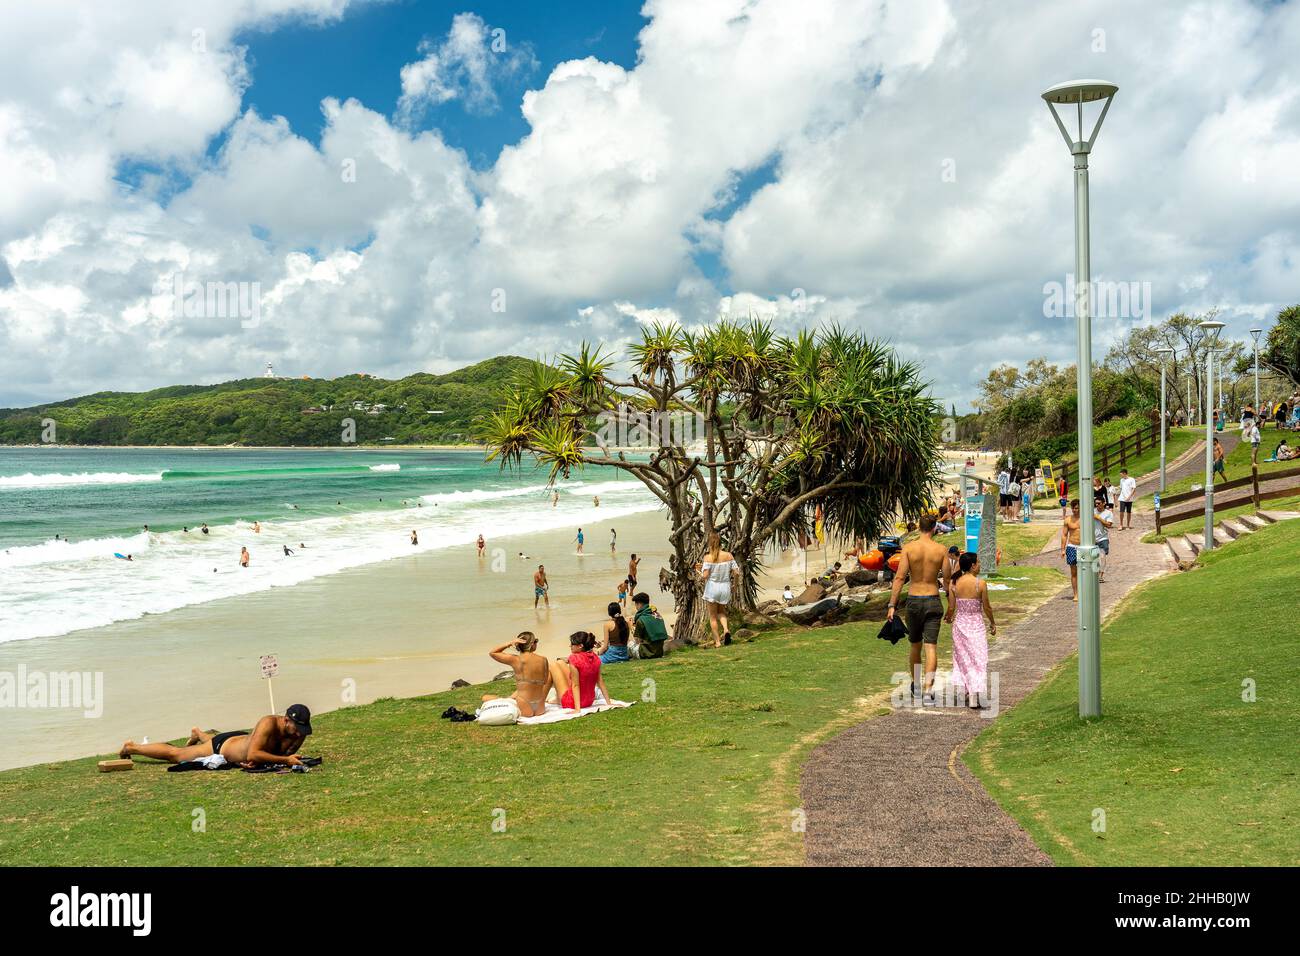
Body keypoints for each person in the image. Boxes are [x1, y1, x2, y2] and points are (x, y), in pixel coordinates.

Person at [119, 705, 312, 768]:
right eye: (297, 728)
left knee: (222, 742)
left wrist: (264, 760)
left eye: (302, 731)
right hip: (224, 746)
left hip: (241, 741)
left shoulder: (298, 732)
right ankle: (132, 747)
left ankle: (198, 733)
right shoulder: (267, 723)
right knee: (176, 755)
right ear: (286, 720)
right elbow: (254, 754)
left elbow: (264, 755)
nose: (299, 734)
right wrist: (285, 760)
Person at [886, 514, 948, 702]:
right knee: (931, 647)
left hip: (914, 599)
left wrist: (892, 605)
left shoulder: (908, 548)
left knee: (915, 644)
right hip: (932, 598)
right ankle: (929, 689)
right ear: (935, 528)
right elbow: (946, 579)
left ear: (918, 528)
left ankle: (917, 684)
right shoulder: (941, 549)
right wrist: (951, 605)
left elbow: (899, 578)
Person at [944, 552, 996, 709]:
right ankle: (974, 695)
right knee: (978, 660)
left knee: (963, 660)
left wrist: (948, 617)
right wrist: (993, 623)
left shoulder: (955, 583)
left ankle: (966, 691)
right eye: (978, 562)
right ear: (972, 565)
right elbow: (986, 607)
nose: (979, 565)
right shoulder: (980, 584)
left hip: (960, 625)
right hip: (976, 626)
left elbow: (952, 607)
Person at [481, 632, 550, 718]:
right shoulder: (544, 660)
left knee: (485, 697)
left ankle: (509, 699)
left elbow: (493, 653)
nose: (536, 643)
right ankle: (511, 698)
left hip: (524, 704)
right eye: (536, 641)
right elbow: (545, 681)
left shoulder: (516, 660)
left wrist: (510, 643)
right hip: (540, 707)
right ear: (532, 644)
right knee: (519, 691)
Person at [549, 631, 611, 713]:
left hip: (572, 702)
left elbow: (575, 685)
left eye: (572, 644)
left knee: (552, 665)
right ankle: (556, 699)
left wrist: (577, 709)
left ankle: (542, 702)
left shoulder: (574, 658)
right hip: (589, 700)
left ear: (580, 646)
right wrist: (609, 703)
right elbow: (600, 682)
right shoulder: (595, 657)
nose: (570, 646)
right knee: (560, 662)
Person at [698, 533, 738, 647]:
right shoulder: (729, 555)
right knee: (721, 612)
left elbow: (705, 576)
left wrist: (698, 572)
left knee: (713, 616)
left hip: (712, 587)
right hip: (725, 586)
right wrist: (734, 585)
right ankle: (726, 630)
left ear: (709, 544)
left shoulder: (708, 557)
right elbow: (736, 572)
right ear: (721, 543)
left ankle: (717, 642)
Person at [629, 592, 668, 659]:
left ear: (639, 604)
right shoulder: (657, 614)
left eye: (635, 604)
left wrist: (631, 627)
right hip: (659, 652)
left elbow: (637, 640)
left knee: (629, 644)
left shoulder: (641, 619)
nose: (636, 607)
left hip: (647, 653)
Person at [1060, 499, 1082, 601]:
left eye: (1076, 508)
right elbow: (1064, 535)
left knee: (1086, 571)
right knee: (1074, 572)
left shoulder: (1086, 519)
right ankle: (1075, 594)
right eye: (1073, 508)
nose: (1074, 510)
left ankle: (1085, 591)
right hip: (1072, 546)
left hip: (1083, 547)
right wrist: (1063, 549)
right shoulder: (1068, 520)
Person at [1094, 498, 1113, 584]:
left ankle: (1100, 576)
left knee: (1102, 557)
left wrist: (1099, 518)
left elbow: (1109, 525)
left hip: (1103, 538)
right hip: (1092, 539)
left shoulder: (1108, 513)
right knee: (1094, 559)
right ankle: (1094, 575)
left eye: (1099, 503)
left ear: (1104, 503)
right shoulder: (1092, 511)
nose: (1097, 505)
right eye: (1096, 504)